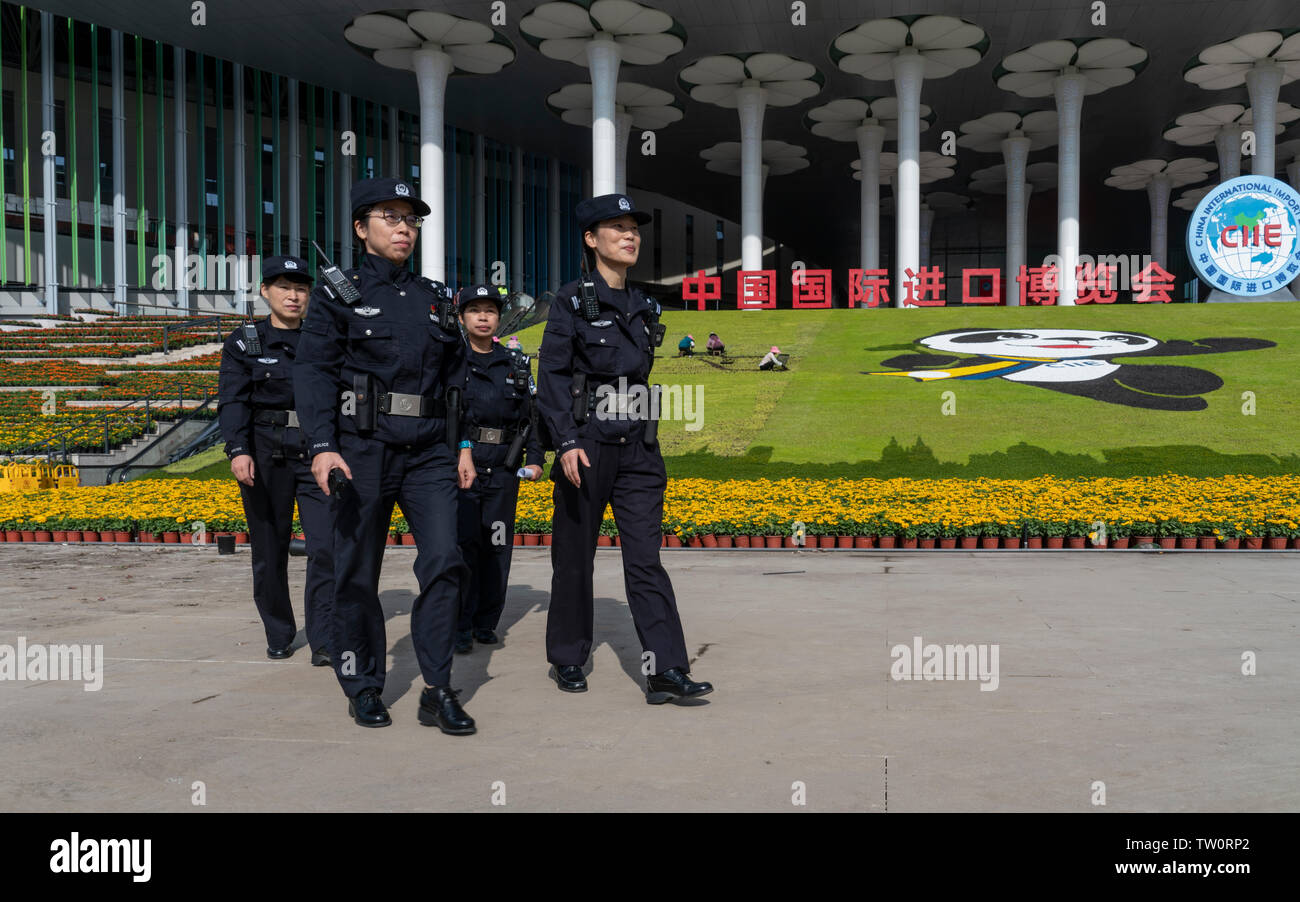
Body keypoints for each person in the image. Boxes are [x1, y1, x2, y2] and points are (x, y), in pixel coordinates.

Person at [294, 177, 476, 735]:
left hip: (428, 454)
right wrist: (323, 447)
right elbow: (314, 371)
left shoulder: (436, 298)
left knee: (445, 561)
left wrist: (463, 444)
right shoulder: (338, 293)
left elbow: (456, 378)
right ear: (361, 228)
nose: (404, 228)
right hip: (362, 451)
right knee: (356, 570)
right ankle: (364, 683)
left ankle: (437, 687)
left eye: (412, 219)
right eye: (390, 217)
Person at [536, 193, 713, 705]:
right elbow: (550, 377)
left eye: (634, 227)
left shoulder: (646, 304)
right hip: (585, 445)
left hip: (638, 448)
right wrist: (564, 442)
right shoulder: (570, 301)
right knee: (575, 558)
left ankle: (665, 670)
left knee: (645, 560)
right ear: (592, 239)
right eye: (617, 228)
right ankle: (568, 656)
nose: (630, 235)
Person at [217, 255, 334, 665]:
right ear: (265, 291)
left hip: (316, 451)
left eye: (301, 288)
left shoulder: (324, 339)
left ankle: (324, 638)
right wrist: (238, 449)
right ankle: (279, 631)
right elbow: (232, 401)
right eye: (284, 287)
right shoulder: (244, 342)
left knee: (326, 547)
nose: (294, 295)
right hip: (265, 453)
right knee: (270, 548)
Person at [454, 284, 546, 654]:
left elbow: (533, 418)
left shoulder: (517, 365)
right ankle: (459, 622)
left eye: (490, 311)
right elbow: (449, 416)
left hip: (504, 470)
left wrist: (535, 458)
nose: (483, 317)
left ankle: (486, 621)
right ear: (462, 318)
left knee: (496, 545)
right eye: (474, 310)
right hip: (463, 468)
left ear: (499, 319)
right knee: (462, 547)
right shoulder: (453, 362)